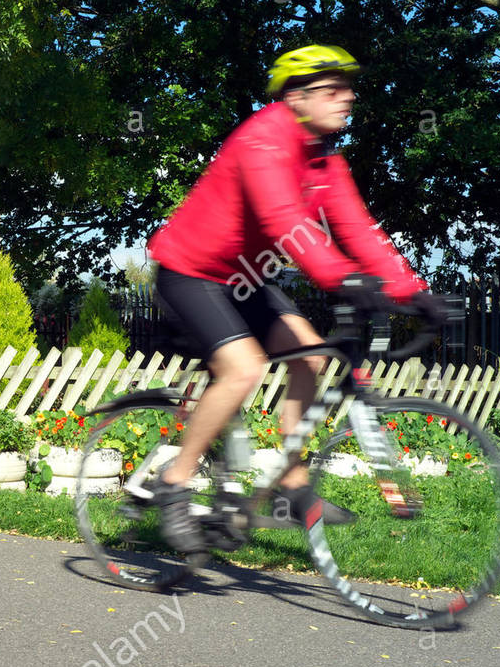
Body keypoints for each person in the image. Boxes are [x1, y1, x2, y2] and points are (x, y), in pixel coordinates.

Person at [145, 44, 448, 553]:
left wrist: (413, 291)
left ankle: (289, 488)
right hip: (190, 272)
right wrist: (344, 280)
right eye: (334, 89)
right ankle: (174, 484)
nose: (348, 97)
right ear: (297, 97)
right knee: (243, 367)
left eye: (349, 88)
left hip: (244, 278)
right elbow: (285, 220)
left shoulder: (324, 159)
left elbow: (358, 228)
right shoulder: (263, 139)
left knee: (309, 357)